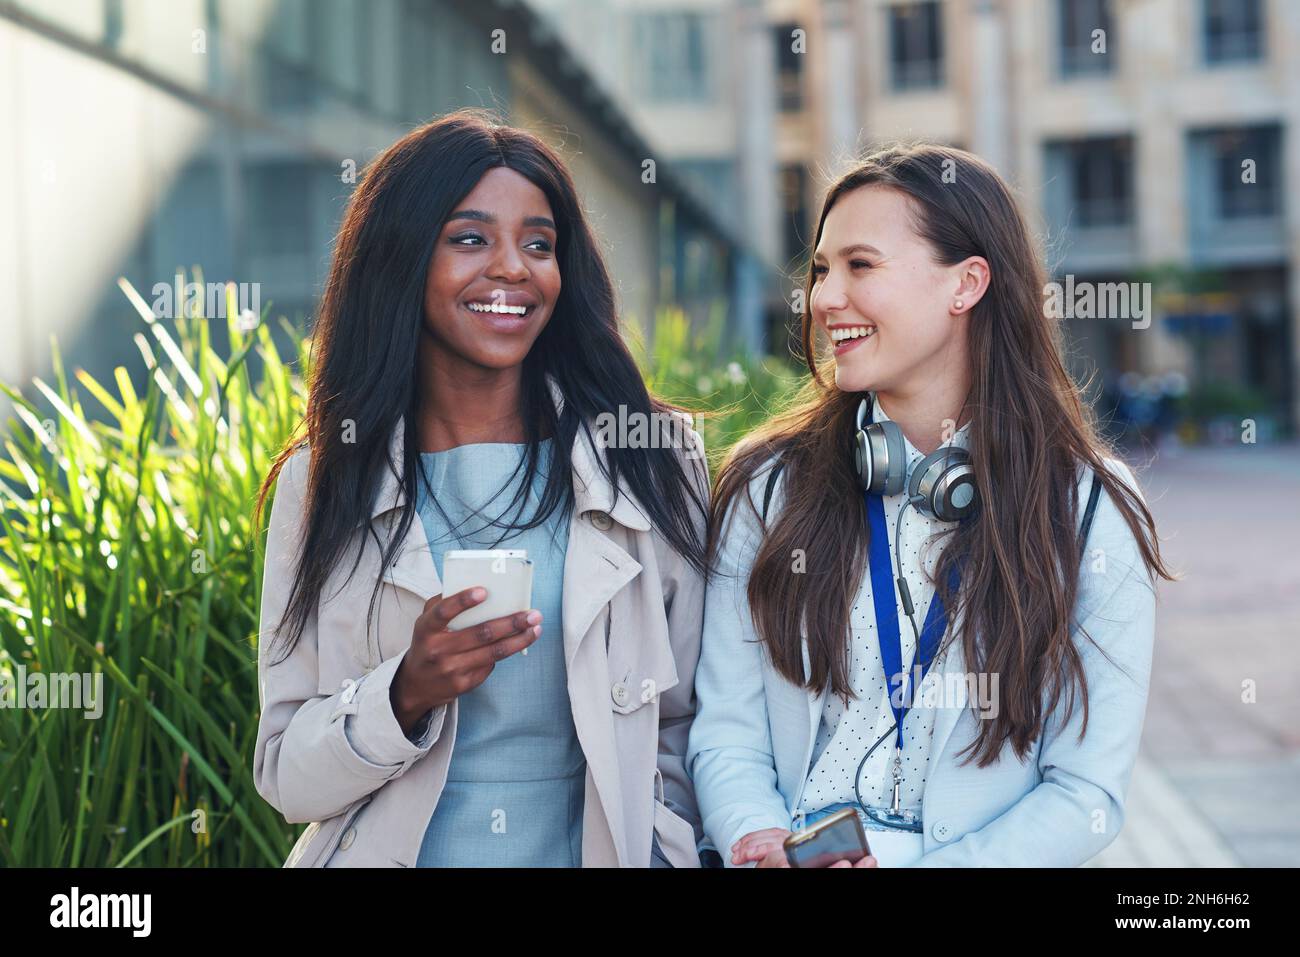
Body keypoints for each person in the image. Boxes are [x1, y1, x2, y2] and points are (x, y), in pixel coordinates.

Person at [688, 144, 1175, 868]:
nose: (823, 298)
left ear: (967, 283)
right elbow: (725, 731)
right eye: (821, 269)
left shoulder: (1089, 505)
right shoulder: (768, 485)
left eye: (860, 265)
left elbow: (1085, 792)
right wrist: (758, 840)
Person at [252, 110, 709, 868]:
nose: (513, 268)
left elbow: (690, 727)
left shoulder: (654, 462)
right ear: (400, 260)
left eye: (539, 243)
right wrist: (404, 692)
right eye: (470, 239)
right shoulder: (325, 477)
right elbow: (284, 775)